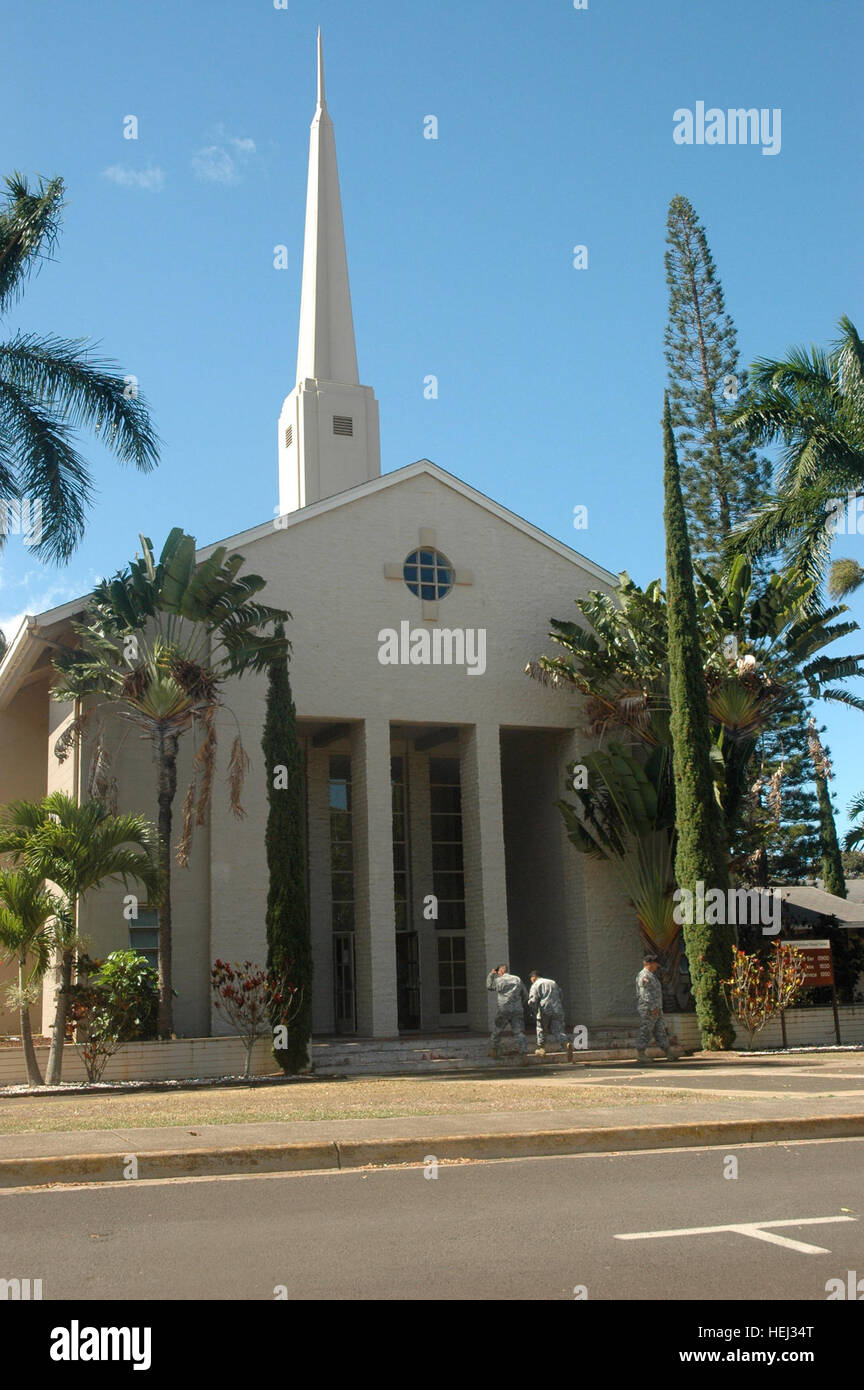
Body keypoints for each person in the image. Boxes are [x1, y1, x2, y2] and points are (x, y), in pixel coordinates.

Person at [635, 953, 676, 1064]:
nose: (657, 966)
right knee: (646, 1031)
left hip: (657, 1008)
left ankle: (668, 1052)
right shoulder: (644, 976)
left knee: (660, 1030)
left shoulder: (651, 975)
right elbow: (645, 994)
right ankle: (641, 1053)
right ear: (649, 963)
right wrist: (653, 1007)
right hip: (648, 1009)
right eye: (655, 963)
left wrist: (657, 1008)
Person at [486, 964, 528, 1064]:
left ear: (500, 971)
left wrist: (491, 975)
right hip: (517, 1009)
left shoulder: (498, 980)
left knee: (498, 1030)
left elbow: (489, 986)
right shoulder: (517, 979)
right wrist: (519, 1004)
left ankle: (493, 1050)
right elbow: (525, 994)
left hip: (504, 1009)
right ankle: (524, 1054)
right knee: (519, 1032)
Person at [527, 972, 573, 1060]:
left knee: (541, 1028)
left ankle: (541, 1048)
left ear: (533, 977)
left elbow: (533, 1000)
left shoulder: (536, 984)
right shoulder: (553, 982)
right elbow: (560, 995)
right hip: (557, 1009)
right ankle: (566, 1043)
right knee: (558, 1030)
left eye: (531, 979)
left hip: (544, 1009)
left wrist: (532, 1010)